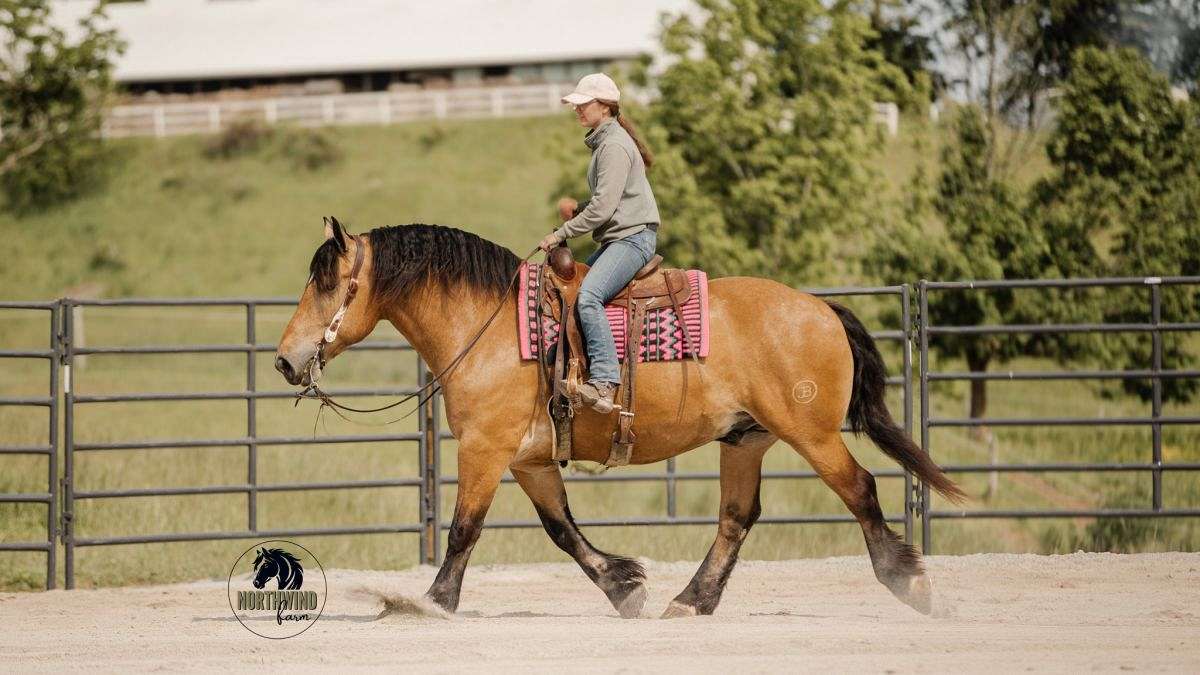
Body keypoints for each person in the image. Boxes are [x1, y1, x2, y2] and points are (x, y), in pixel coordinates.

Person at [538, 72, 661, 414]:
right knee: (574, 290)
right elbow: (610, 202)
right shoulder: (608, 142)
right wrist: (579, 209)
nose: (577, 109)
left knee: (589, 295)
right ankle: (564, 364)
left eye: (584, 104)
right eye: (576, 105)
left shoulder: (613, 146)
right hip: (621, 237)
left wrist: (560, 234)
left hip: (632, 239)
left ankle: (605, 381)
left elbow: (604, 208)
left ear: (605, 106)